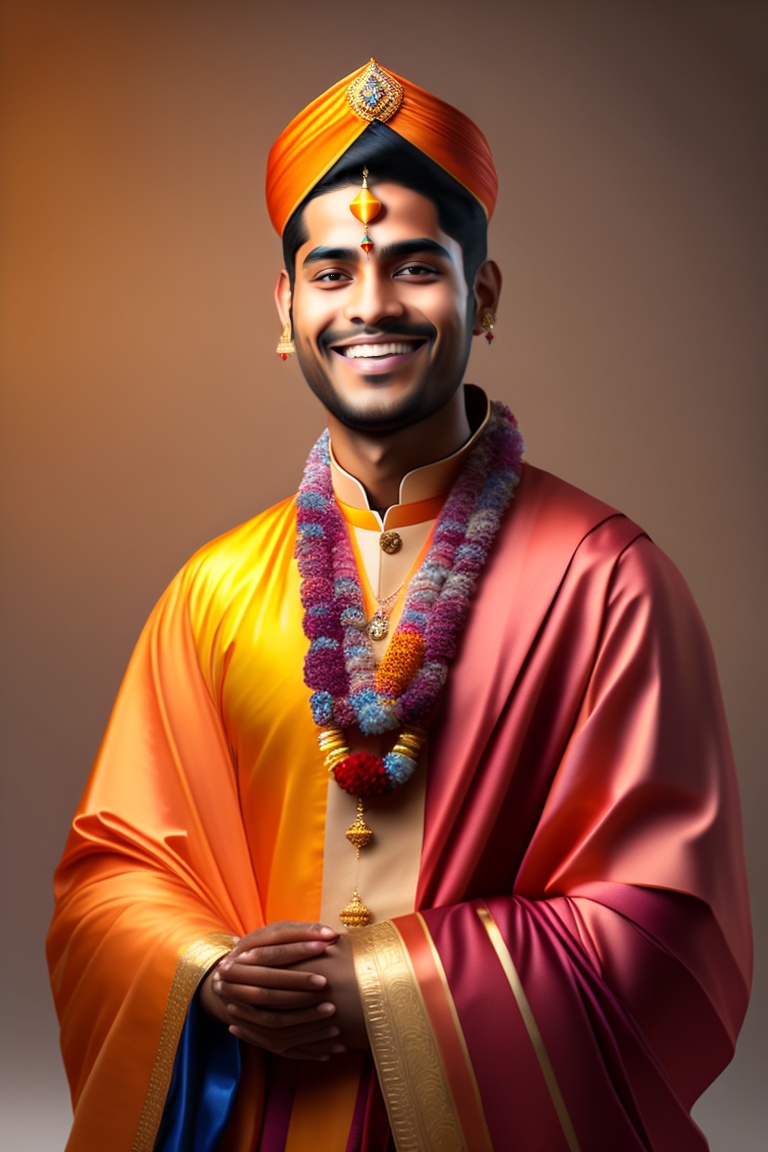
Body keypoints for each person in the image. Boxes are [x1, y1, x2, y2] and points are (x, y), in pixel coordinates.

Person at [47, 60, 751, 1151]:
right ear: (287, 311)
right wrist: (208, 973)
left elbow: (662, 924)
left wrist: (395, 988)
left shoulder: (606, 580)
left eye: (415, 266)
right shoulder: (212, 593)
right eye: (331, 273)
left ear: (485, 295)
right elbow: (112, 879)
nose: (370, 304)